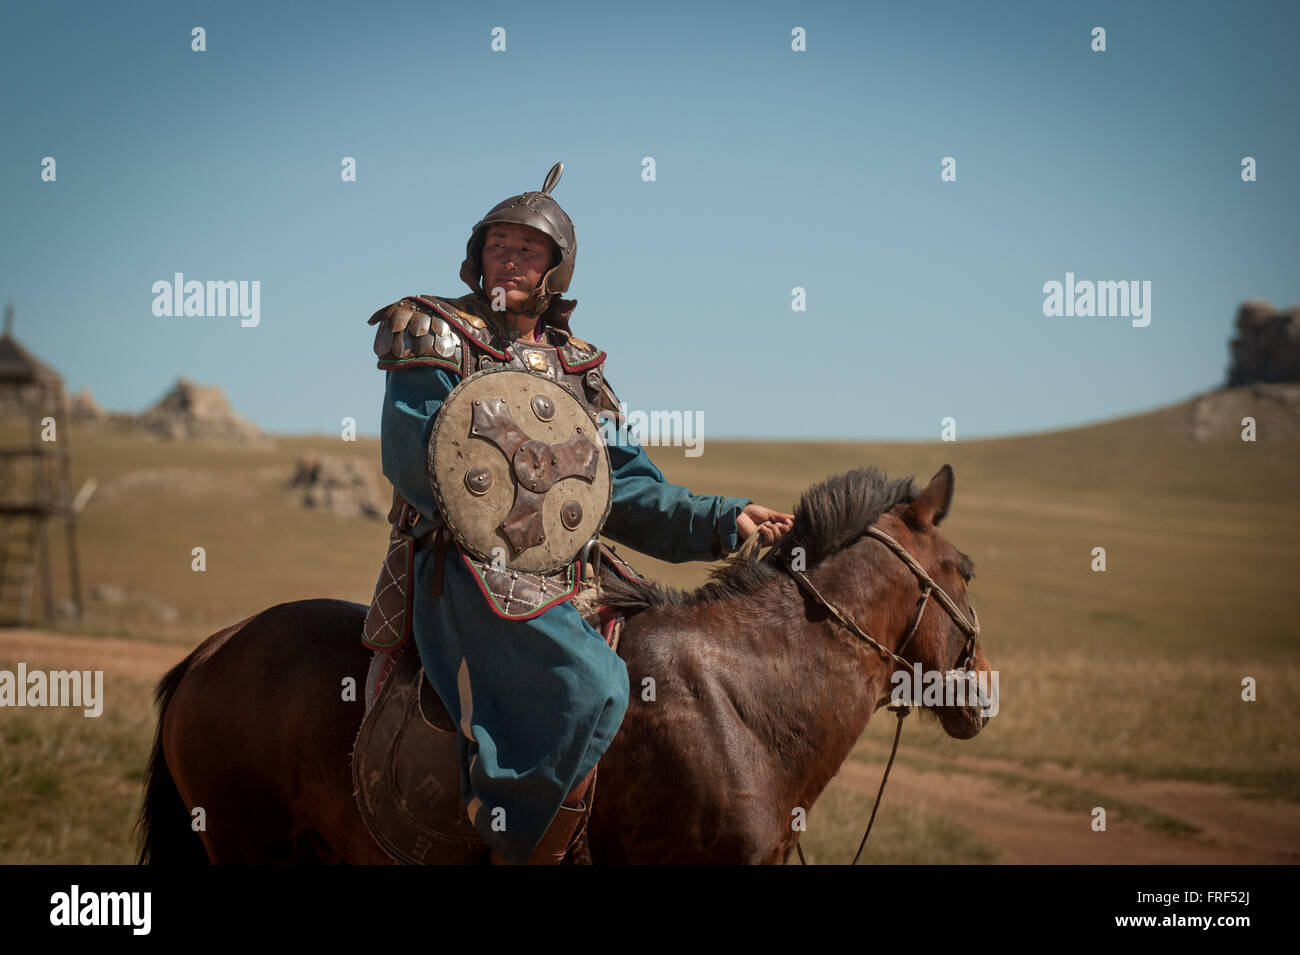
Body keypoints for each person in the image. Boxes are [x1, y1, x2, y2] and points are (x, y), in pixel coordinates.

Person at [365, 163, 793, 864]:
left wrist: (727, 517)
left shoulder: (579, 371)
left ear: (555, 269)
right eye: (497, 243)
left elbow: (625, 488)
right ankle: (515, 848)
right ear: (476, 256)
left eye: (527, 248)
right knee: (589, 685)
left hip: (570, 572)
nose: (508, 256)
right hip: (466, 569)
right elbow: (417, 459)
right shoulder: (434, 330)